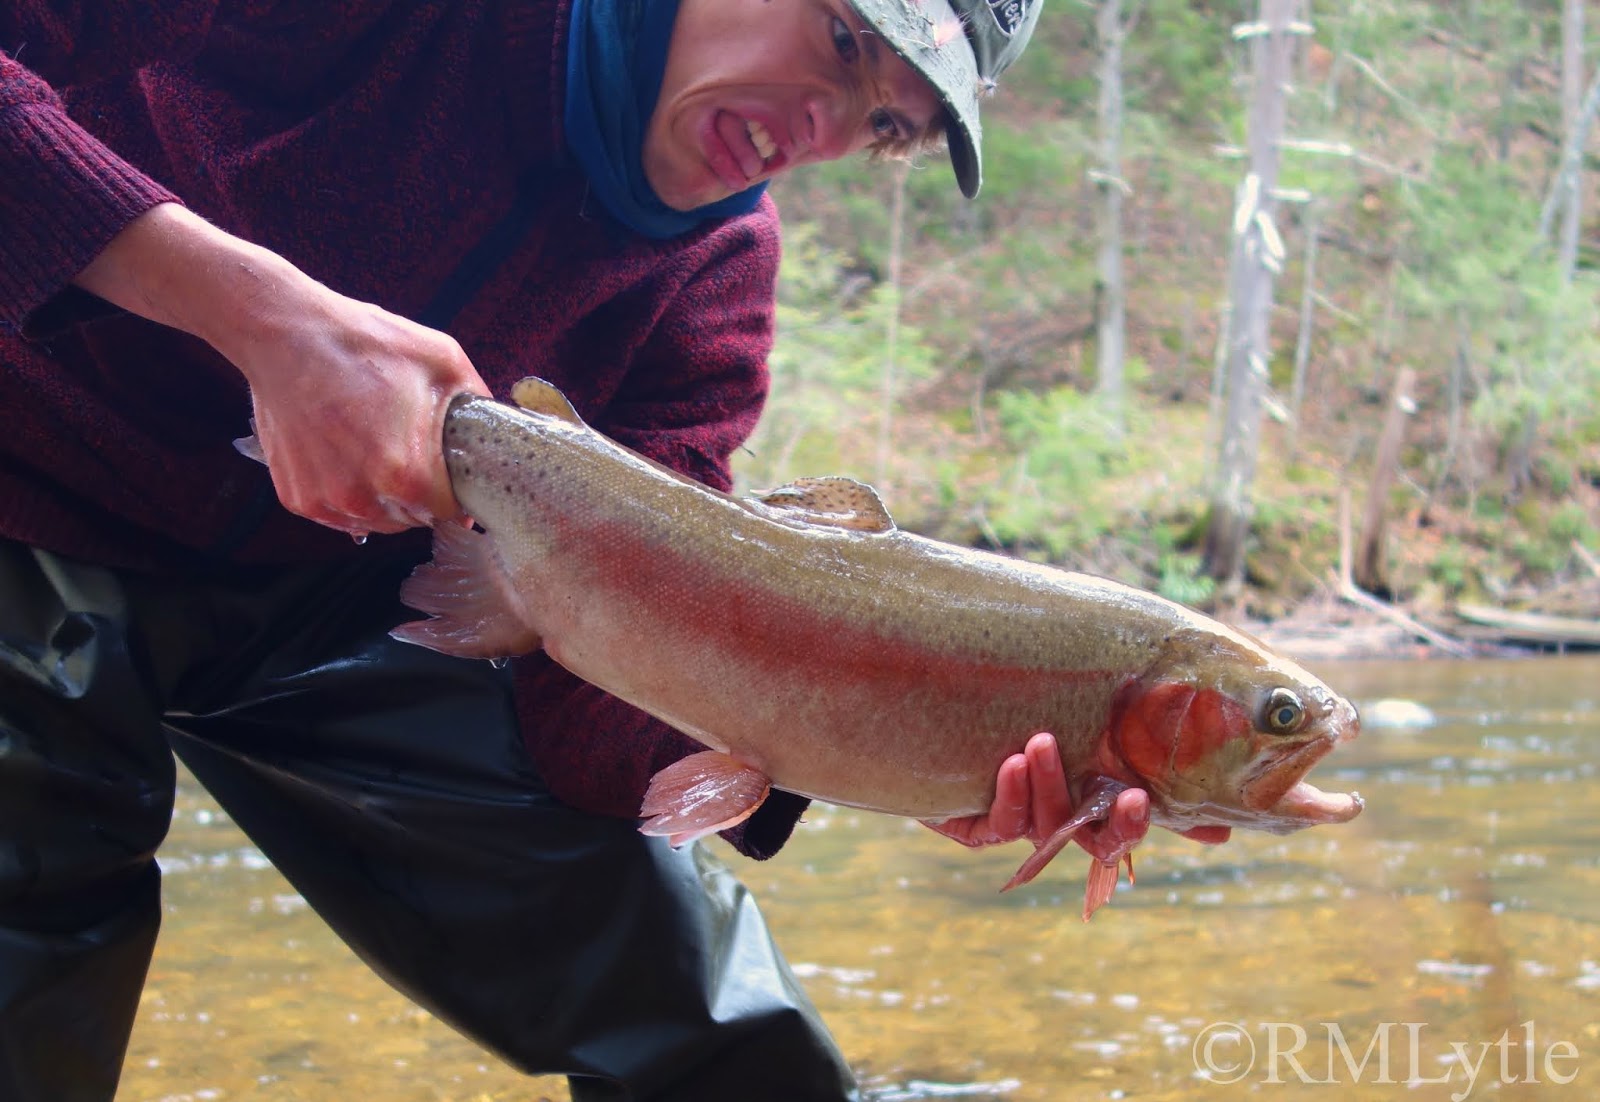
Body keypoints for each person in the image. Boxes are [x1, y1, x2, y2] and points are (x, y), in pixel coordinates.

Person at [0, 1, 1219, 1099]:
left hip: (363, 592)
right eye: (844, 42)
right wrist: (253, 312)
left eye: (882, 120)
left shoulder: (715, 278)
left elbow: (598, 702)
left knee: (736, 1052)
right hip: (24, 489)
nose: (824, 123)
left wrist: (883, 737)